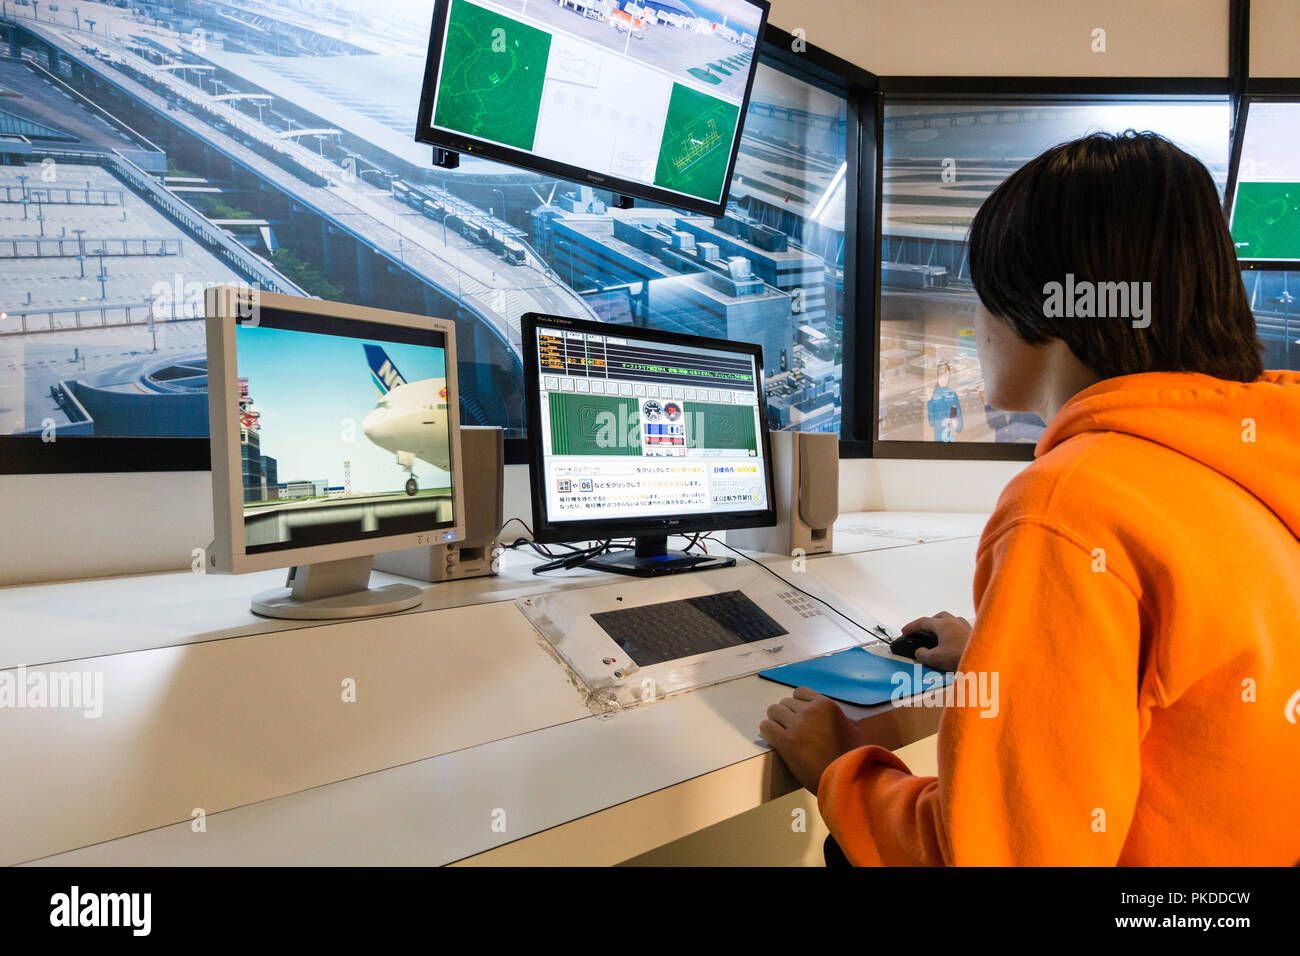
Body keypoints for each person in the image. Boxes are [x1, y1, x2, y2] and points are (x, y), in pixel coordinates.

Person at [760, 131, 1300, 865]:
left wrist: (840, 771)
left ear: (1046, 309)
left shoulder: (1073, 504)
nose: (973, 320)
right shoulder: (1249, 471)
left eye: (981, 288)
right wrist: (998, 655)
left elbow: (1000, 855)